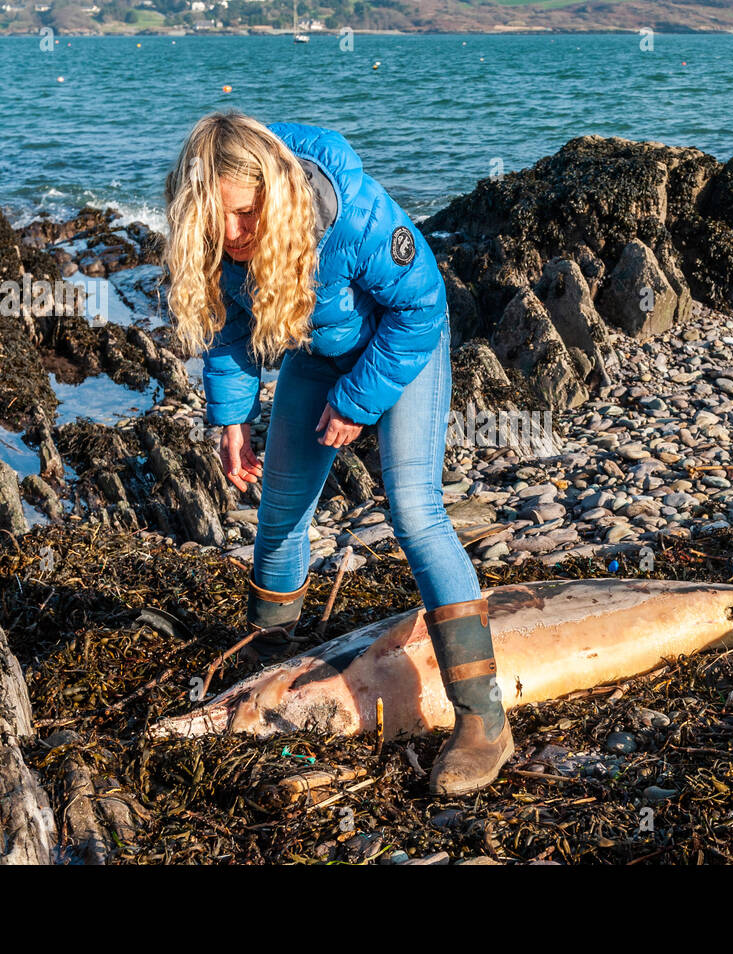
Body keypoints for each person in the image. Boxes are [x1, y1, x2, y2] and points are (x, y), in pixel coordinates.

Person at [161, 111, 512, 795]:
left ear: (273, 192)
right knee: (282, 505)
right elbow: (234, 327)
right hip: (315, 351)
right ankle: (271, 655)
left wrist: (357, 403)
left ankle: (484, 720)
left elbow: (422, 306)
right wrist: (231, 421)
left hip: (399, 347)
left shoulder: (350, 216)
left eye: (243, 217)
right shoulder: (218, 228)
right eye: (214, 222)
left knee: (414, 511)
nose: (231, 236)